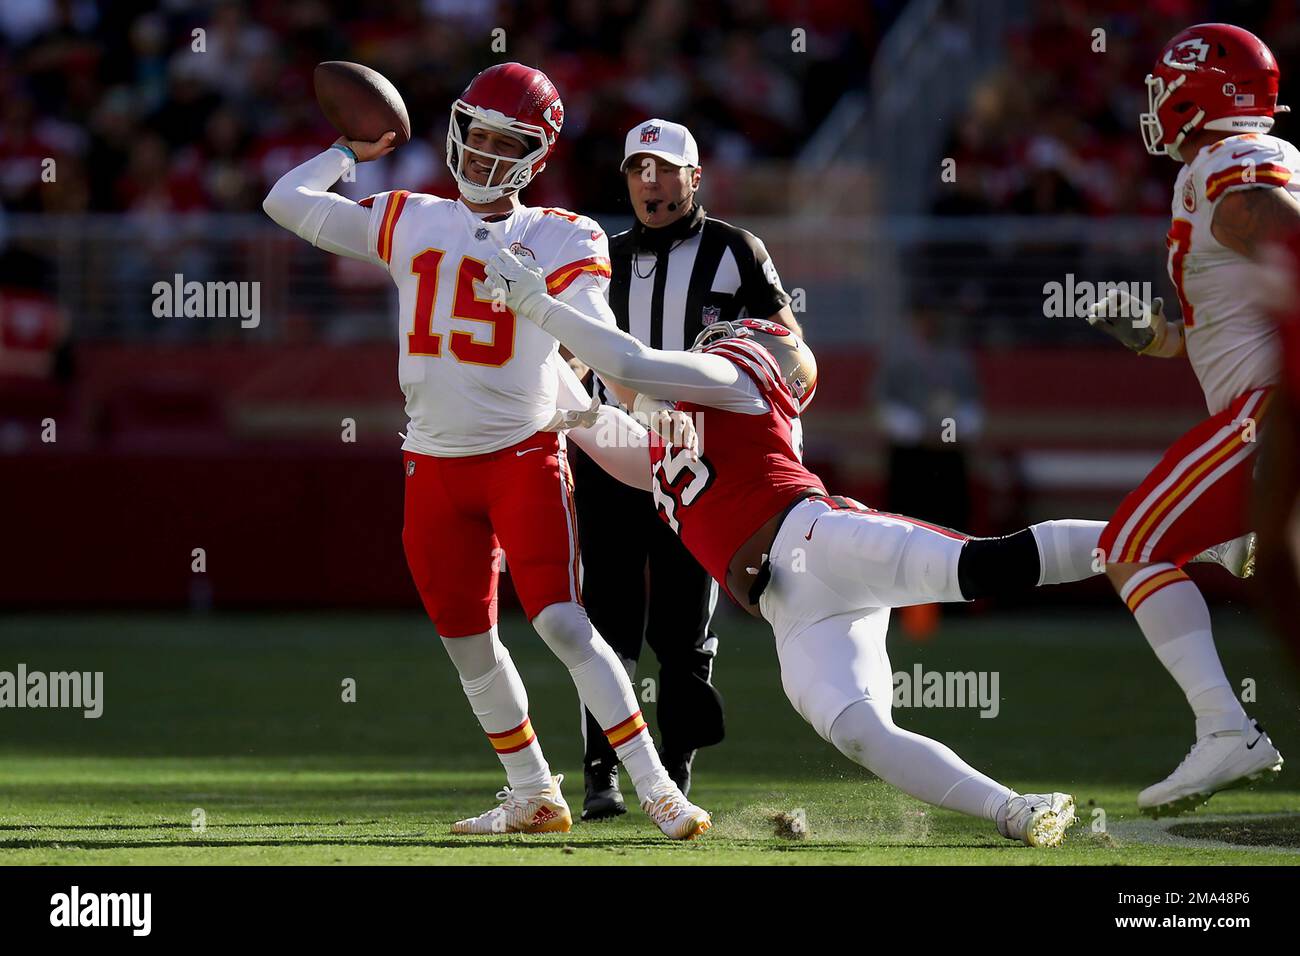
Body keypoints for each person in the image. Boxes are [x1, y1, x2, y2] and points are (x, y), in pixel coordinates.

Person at [479, 249, 1116, 847]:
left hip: (821, 539)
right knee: (863, 733)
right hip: (792, 607)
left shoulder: (735, 381)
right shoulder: (680, 433)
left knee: (983, 565)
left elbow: (634, 368)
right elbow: (597, 422)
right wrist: (541, 354)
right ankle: (1016, 810)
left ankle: (1165, 542)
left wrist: (539, 306)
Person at [262, 62, 710, 840]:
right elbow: (285, 202)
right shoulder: (412, 215)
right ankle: (533, 790)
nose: (478, 153)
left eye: (505, 141)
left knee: (565, 625)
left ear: (536, 157)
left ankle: (658, 788)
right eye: (475, 130)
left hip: (521, 455)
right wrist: (349, 149)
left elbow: (601, 334)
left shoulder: (562, 233)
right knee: (468, 646)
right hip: (430, 466)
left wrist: (558, 313)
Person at [1086, 23, 1293, 815]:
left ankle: (1224, 728)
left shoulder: (1230, 165)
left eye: (1166, 89)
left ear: (1198, 94)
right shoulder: (1217, 171)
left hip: (1271, 414)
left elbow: (1285, 239)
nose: (1157, 106)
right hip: (1264, 405)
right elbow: (1240, 310)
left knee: (1131, 545)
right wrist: (1159, 337)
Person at [571, 119, 799, 818]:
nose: (650, 183)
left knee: (682, 628)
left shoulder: (736, 250)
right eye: (639, 169)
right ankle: (601, 775)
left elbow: (787, 345)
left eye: (665, 170)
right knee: (606, 619)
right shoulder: (602, 258)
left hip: (696, 461)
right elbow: (573, 357)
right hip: (612, 452)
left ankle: (673, 773)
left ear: (695, 178)